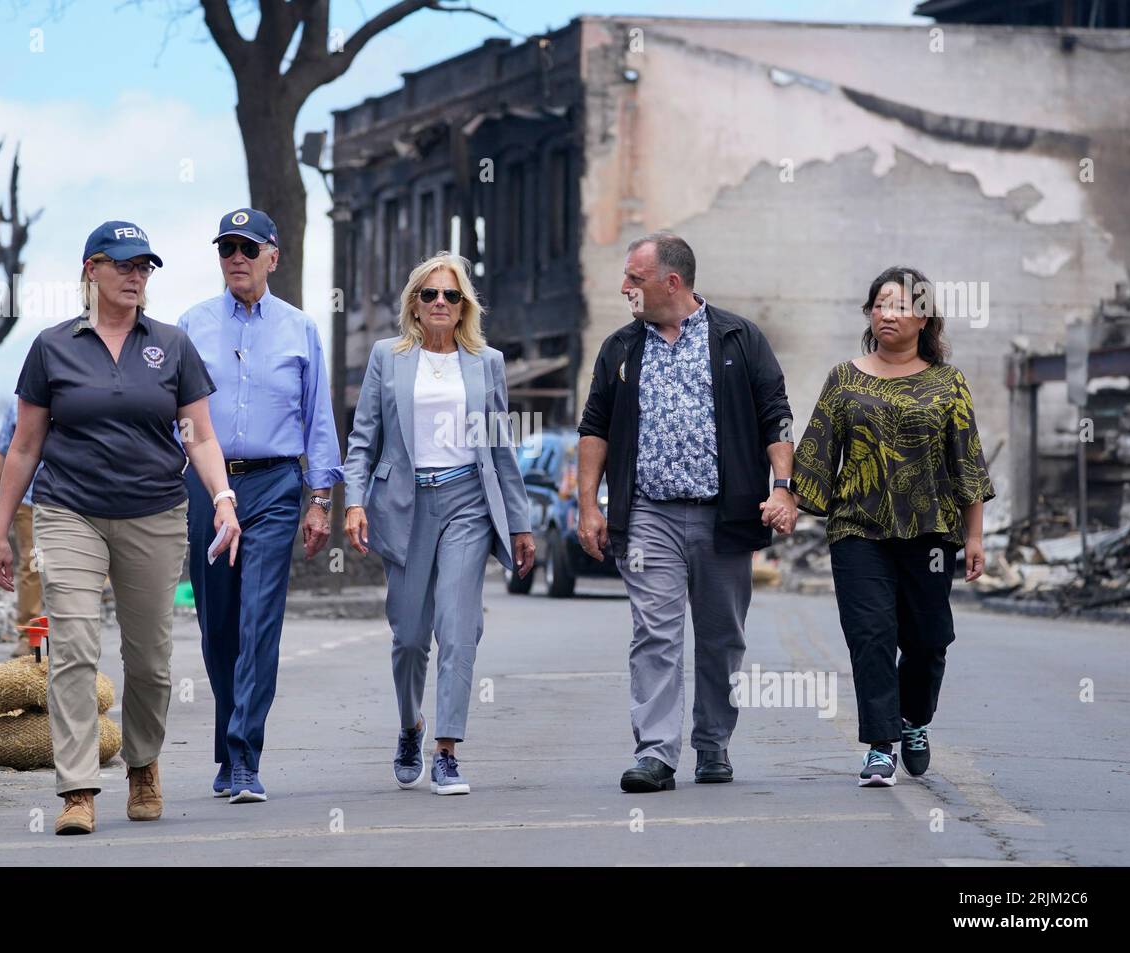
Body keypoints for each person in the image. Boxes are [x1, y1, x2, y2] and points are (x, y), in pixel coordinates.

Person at [0, 220, 240, 836]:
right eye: (124, 265)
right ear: (91, 269)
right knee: (72, 646)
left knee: (150, 659)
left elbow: (200, 435)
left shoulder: (173, 345)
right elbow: (24, 446)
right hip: (69, 509)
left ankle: (143, 765)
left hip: (154, 512)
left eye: (144, 267)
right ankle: (77, 788)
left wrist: (224, 498)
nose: (136, 276)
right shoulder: (53, 347)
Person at [577, 231, 795, 793]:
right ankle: (655, 752)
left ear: (671, 282)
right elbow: (594, 427)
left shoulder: (739, 338)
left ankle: (713, 742)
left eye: (635, 278)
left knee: (722, 637)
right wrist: (589, 506)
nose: (625, 287)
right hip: (648, 513)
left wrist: (784, 487)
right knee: (655, 632)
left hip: (725, 515)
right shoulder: (622, 348)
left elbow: (776, 415)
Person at [790, 265, 994, 787]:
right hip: (858, 530)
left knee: (929, 638)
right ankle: (881, 745)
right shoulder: (844, 379)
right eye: (879, 303)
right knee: (872, 634)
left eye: (900, 305)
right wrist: (788, 499)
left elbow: (967, 461)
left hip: (929, 533)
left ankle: (913, 720)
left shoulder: (948, 383)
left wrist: (974, 537)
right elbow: (816, 451)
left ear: (924, 318)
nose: (887, 313)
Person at [343, 251, 534, 796]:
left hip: (467, 502)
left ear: (464, 304)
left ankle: (447, 750)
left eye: (452, 295)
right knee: (408, 637)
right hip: (404, 505)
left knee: (457, 626)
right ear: (415, 304)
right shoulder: (388, 357)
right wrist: (353, 502)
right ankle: (411, 725)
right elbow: (363, 440)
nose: (441, 303)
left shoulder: (486, 362)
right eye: (431, 295)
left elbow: (500, 449)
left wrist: (519, 524)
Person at [178, 208, 342, 804]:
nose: (237, 259)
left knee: (258, 619)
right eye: (227, 249)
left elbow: (318, 419)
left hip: (275, 486)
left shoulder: (300, 329)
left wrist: (319, 499)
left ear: (274, 255)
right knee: (217, 624)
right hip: (207, 486)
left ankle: (246, 754)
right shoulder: (190, 326)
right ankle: (226, 746)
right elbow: (174, 417)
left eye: (248, 248)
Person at [0, 398, 42, 656]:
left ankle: (68, 637)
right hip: (28, 498)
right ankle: (29, 636)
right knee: (32, 564)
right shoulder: (18, 406)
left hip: (68, 498)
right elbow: (2, 452)